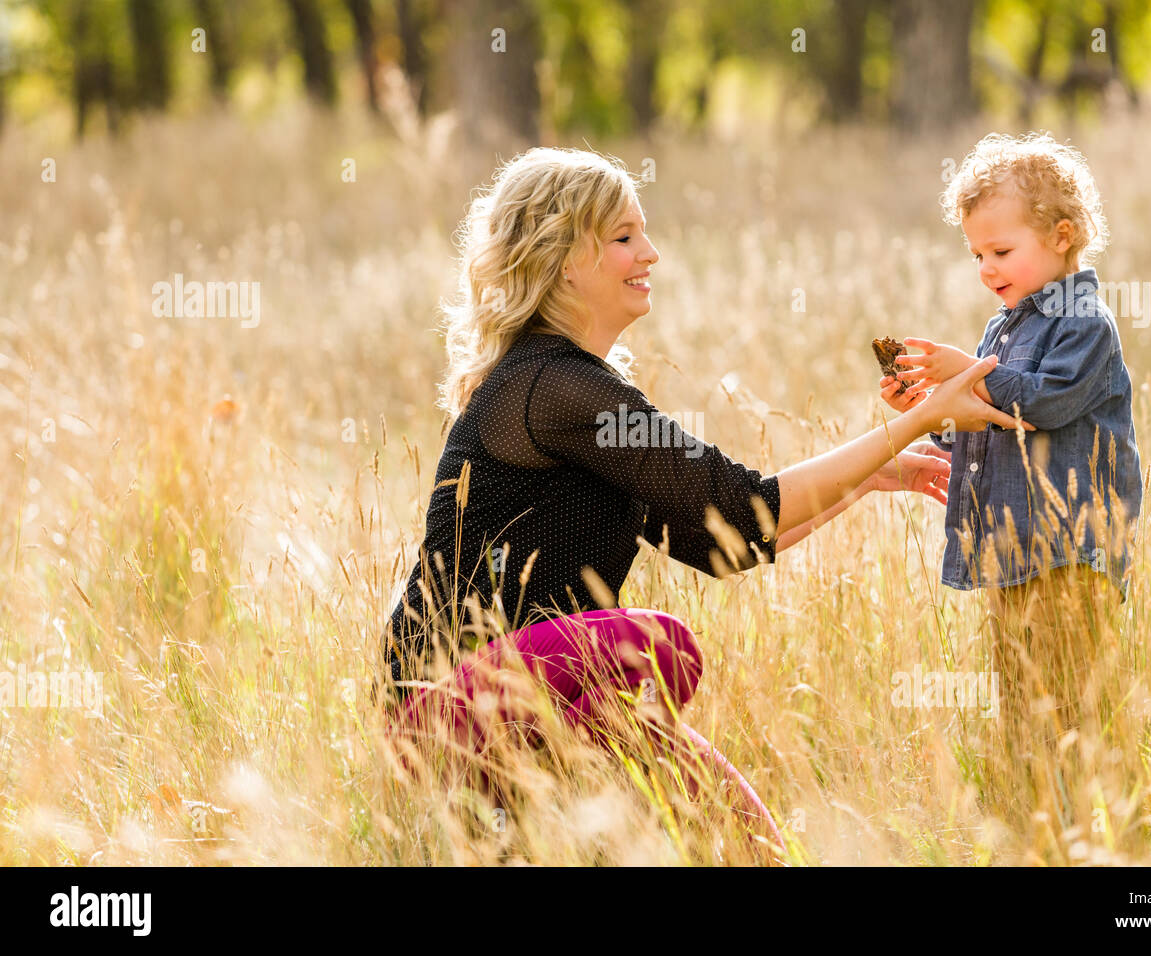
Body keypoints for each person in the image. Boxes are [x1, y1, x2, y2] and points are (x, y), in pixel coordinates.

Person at [385, 146, 1024, 858]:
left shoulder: (574, 388)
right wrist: (916, 418)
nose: (650, 253)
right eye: (625, 237)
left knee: (749, 841)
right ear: (566, 259)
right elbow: (747, 505)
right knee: (659, 644)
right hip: (450, 702)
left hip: (542, 681)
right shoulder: (556, 387)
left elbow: (726, 541)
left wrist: (873, 477)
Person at [879, 131, 1142, 830]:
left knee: (1069, 700)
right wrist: (932, 413)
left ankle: (1091, 825)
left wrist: (967, 373)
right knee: (1021, 696)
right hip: (1013, 550)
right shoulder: (1004, 326)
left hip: (1068, 551)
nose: (986, 267)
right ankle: (1034, 820)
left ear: (1063, 237)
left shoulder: (1083, 321)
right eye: (976, 255)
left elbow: (1044, 404)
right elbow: (991, 422)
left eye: (1001, 251)